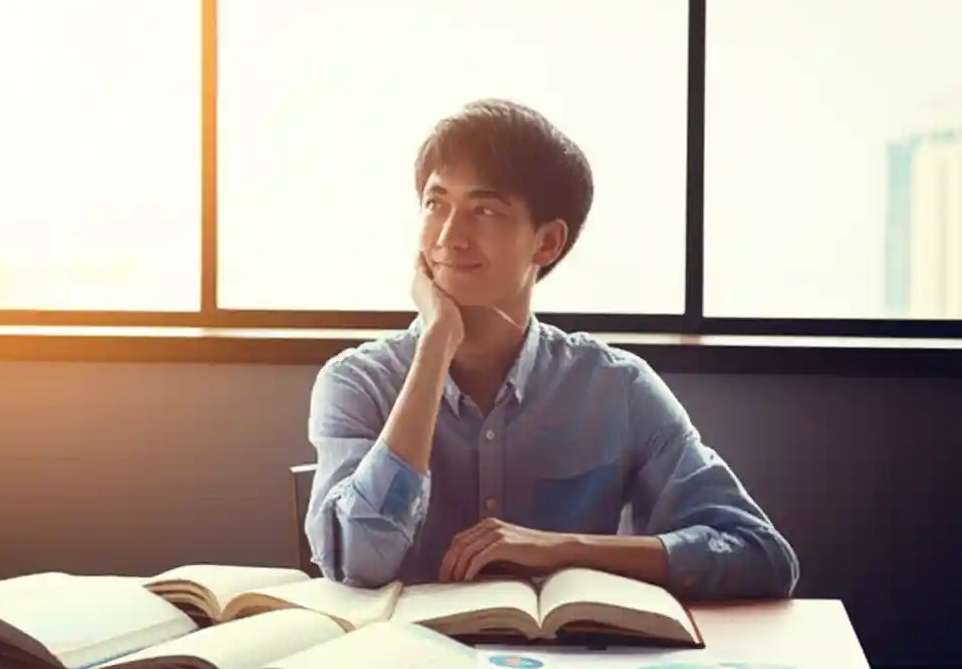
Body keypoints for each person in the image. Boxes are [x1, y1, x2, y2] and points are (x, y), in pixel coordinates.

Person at [303, 98, 799, 599]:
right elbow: (359, 563)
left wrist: (564, 549)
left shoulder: (616, 388)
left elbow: (762, 554)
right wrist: (435, 345)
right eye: (436, 205)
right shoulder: (356, 382)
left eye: (485, 210)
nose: (450, 237)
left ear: (547, 244)